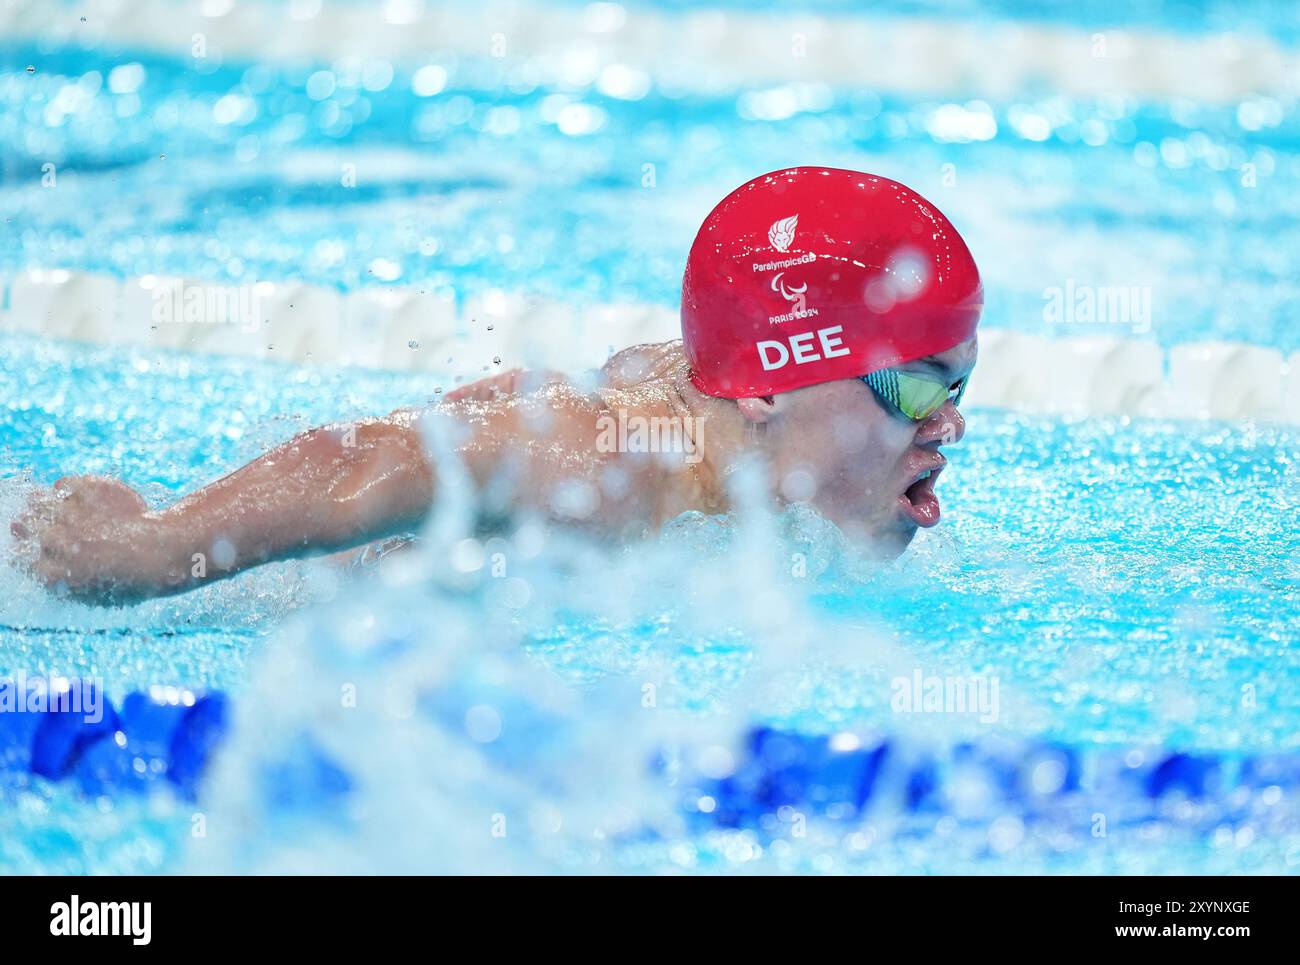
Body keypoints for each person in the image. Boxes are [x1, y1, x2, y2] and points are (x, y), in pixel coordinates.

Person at [10, 167, 982, 605]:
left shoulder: (733, 425)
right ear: (766, 391)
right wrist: (150, 547)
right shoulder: (618, 473)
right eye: (909, 386)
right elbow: (363, 458)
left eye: (958, 384)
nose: (949, 423)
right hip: (300, 601)